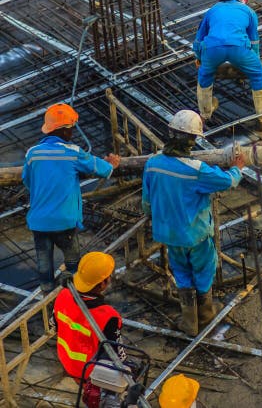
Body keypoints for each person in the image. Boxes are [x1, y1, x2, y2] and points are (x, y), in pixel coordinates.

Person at [141, 110, 245, 335]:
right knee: (203, 269)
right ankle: (206, 314)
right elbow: (227, 181)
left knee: (181, 271)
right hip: (195, 234)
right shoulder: (196, 170)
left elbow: (147, 203)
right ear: (194, 139)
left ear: (171, 132)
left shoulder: (152, 164)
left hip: (169, 234)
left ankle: (189, 321)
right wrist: (237, 168)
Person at [23, 103, 120, 291]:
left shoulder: (32, 153)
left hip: (39, 221)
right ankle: (74, 295)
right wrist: (112, 164)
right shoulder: (73, 152)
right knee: (73, 262)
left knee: (44, 266)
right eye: (72, 128)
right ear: (65, 131)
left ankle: (48, 300)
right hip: (64, 221)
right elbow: (102, 169)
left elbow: (28, 181)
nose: (73, 133)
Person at [193, 0, 262, 134]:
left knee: (205, 76)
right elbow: (254, 41)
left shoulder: (212, 10)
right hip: (239, 49)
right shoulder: (249, 12)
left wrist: (199, 58)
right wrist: (256, 62)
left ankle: (204, 114)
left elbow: (198, 40)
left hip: (212, 49)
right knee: (258, 75)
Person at [53, 251, 126, 408]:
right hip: (88, 373)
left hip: (66, 360)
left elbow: (55, 326)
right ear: (102, 284)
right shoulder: (108, 316)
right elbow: (116, 355)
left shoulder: (64, 294)